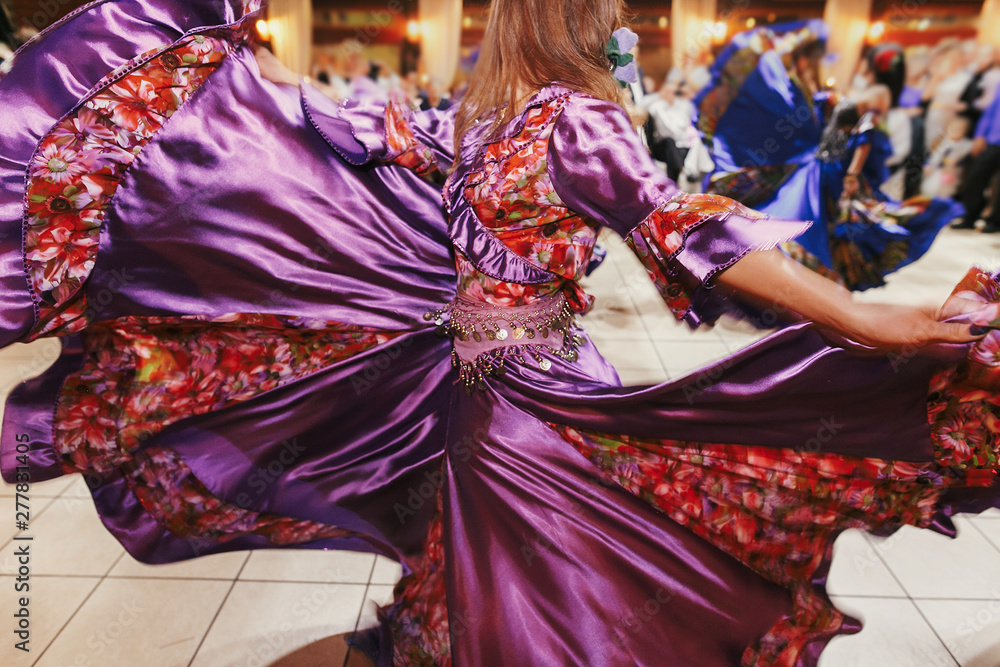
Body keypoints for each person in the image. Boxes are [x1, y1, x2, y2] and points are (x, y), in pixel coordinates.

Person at [0, 2, 997, 666]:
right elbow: (683, 225)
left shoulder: (493, 119)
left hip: (483, 392)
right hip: (531, 406)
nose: (615, 19)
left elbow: (402, 179)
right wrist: (865, 315)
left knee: (523, 575)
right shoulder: (574, 120)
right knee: (576, 589)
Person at [697, 22, 962, 291]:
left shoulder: (879, 93)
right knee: (807, 216)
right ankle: (793, 273)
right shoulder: (861, 90)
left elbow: (866, 136)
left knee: (812, 219)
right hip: (821, 165)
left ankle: (805, 275)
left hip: (832, 168)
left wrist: (852, 173)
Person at [954, 79, 1000, 233]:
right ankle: (969, 216)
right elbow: (991, 111)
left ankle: (995, 222)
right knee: (975, 177)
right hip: (993, 139)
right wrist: (980, 134)